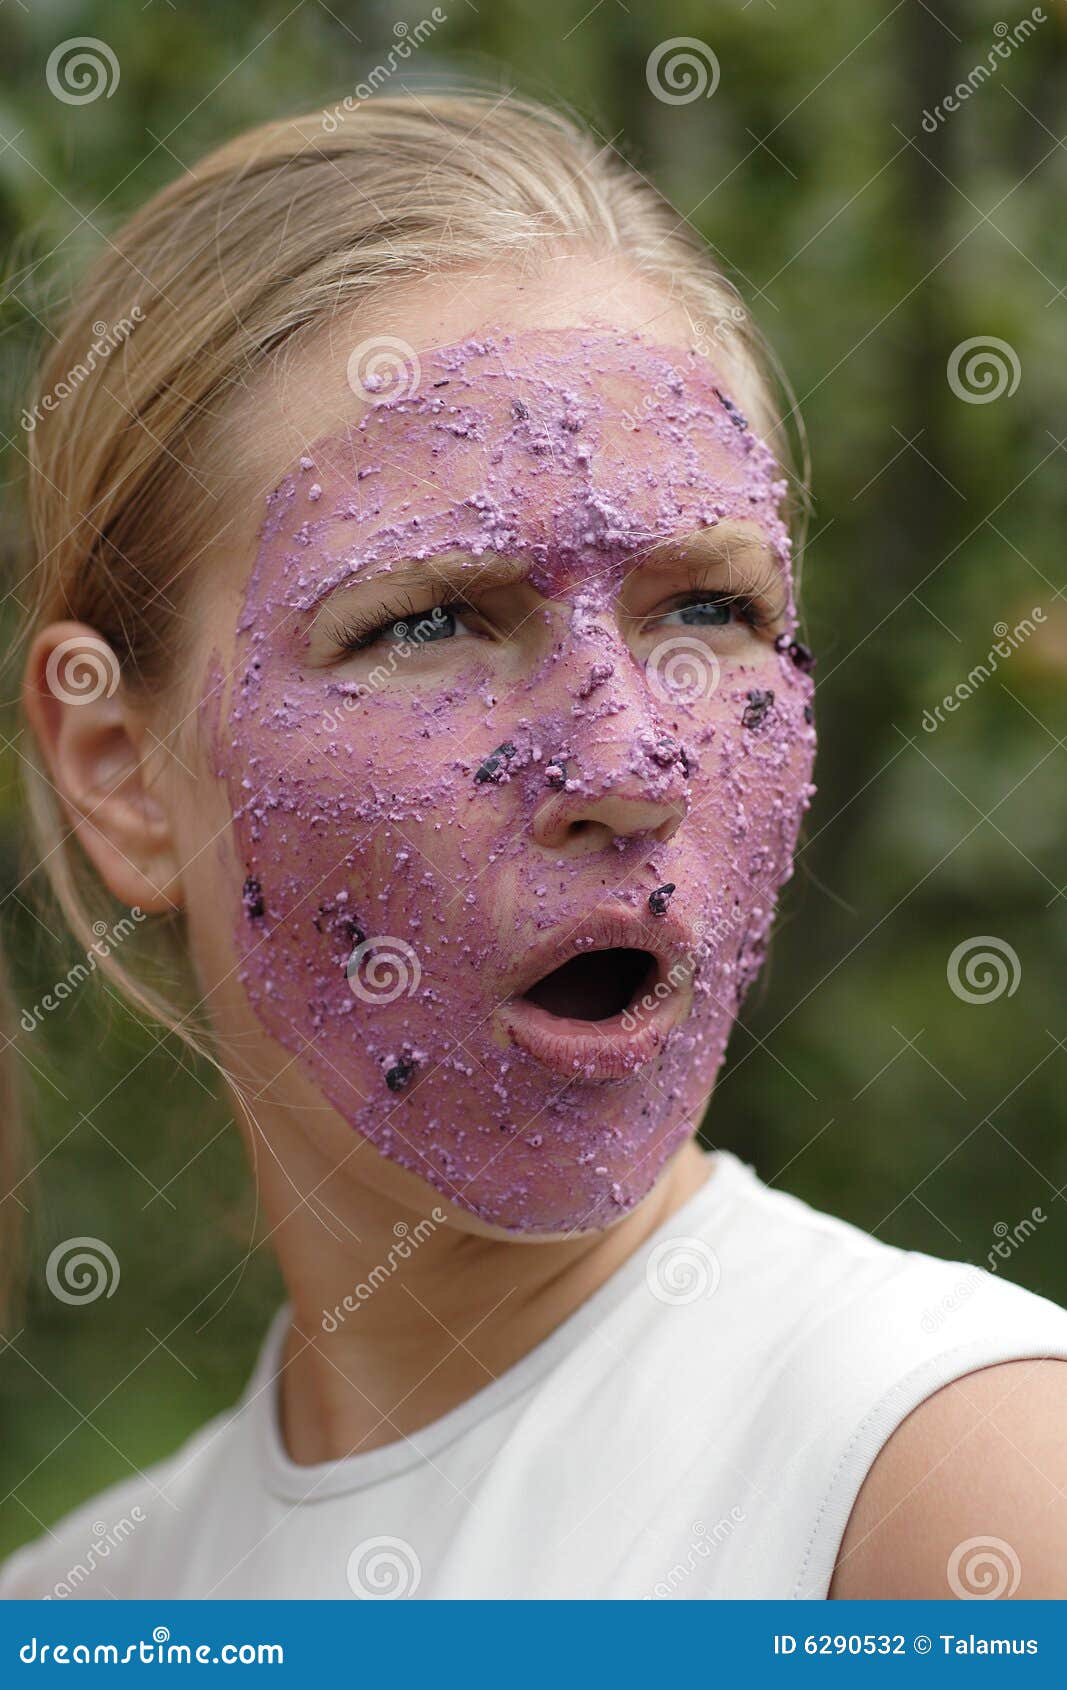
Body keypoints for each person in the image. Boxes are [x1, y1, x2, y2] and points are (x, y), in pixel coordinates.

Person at [2, 90, 1065, 1602]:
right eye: (432, 620)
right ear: (119, 773)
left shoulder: (959, 1499)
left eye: (709, 609)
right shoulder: (79, 1609)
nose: (627, 761)